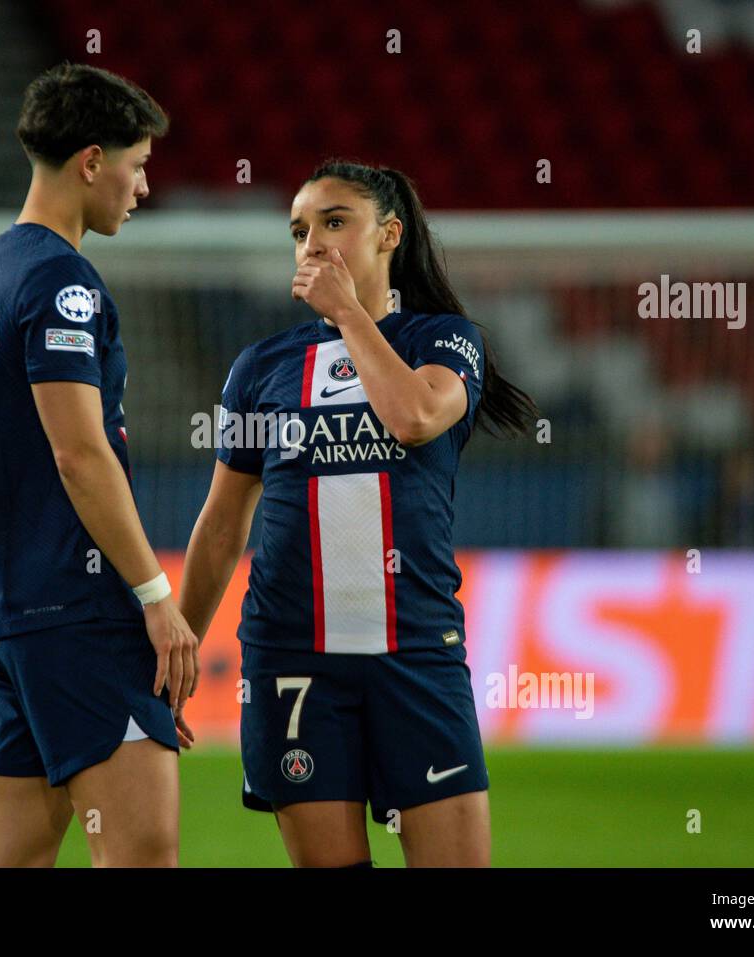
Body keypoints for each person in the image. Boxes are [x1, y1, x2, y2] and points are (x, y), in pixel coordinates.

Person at [179, 160, 536, 866]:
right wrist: (179, 653)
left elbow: (414, 417)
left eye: (335, 222)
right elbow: (221, 524)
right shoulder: (260, 368)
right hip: (292, 661)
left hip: (416, 653)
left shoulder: (443, 341)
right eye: (299, 231)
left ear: (389, 235)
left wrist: (347, 314)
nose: (312, 243)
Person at [0, 63, 198, 868]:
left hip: (7, 611)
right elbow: (80, 453)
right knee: (140, 853)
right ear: (92, 162)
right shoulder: (62, 281)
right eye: (137, 165)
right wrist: (156, 598)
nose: (143, 187)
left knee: (6, 853)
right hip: (78, 611)